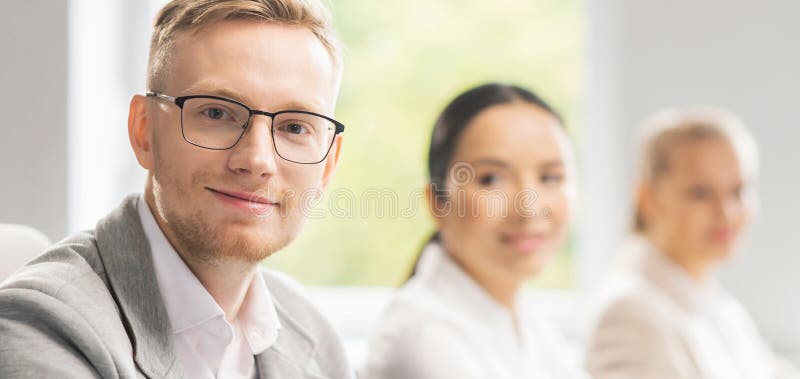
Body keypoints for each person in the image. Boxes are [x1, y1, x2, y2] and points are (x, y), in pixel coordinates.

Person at [0, 0, 354, 378]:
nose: (256, 160)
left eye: (295, 128)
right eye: (217, 113)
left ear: (328, 165)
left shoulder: (314, 337)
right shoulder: (42, 327)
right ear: (144, 131)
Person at [361, 83, 587, 379]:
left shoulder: (530, 324)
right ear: (437, 202)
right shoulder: (426, 338)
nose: (529, 208)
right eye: (491, 179)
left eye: (550, 177)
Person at [584, 106, 800, 379]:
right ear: (647, 198)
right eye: (701, 193)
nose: (727, 212)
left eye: (739, 191)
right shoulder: (629, 314)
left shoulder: (715, 302)